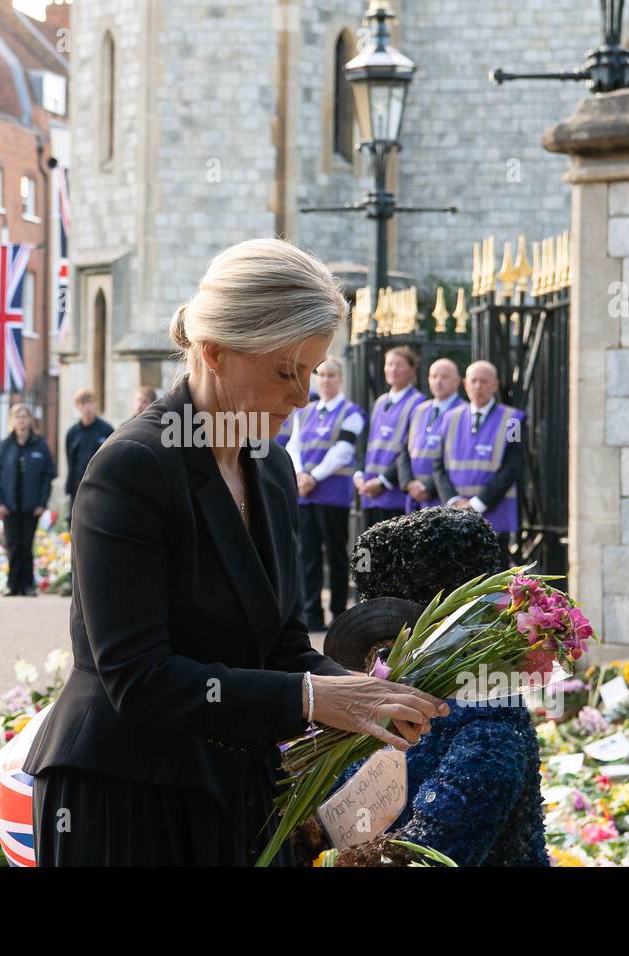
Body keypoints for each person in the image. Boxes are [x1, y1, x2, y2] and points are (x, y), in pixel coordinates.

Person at [23, 238, 446, 867]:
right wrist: (308, 699)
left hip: (236, 788)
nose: (303, 396)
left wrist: (370, 695)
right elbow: (137, 677)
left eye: (314, 370)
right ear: (213, 351)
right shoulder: (134, 465)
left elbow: (281, 647)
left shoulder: (271, 465)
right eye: (286, 371)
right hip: (127, 795)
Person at [318, 506, 548, 867]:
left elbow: (429, 853)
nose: (383, 662)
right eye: (381, 647)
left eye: (394, 643)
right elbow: (338, 805)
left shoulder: (490, 730)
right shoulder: (384, 708)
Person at [286, 355, 365, 632]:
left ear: (340, 379)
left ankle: (338, 612)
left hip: (332, 494)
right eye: (321, 375)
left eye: (331, 375)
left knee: (335, 553)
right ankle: (312, 614)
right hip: (305, 493)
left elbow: (342, 451)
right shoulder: (305, 411)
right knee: (307, 555)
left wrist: (312, 476)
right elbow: (294, 445)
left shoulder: (351, 412)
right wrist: (298, 475)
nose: (326, 380)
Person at [431, 360, 525, 568]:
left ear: (495, 384)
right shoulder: (448, 419)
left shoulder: (514, 421)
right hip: (454, 515)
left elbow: (512, 468)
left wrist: (476, 505)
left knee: (493, 583)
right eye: (473, 381)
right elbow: (438, 466)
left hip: (494, 515)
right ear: (465, 384)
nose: (478, 386)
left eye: (484, 381)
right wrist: (454, 501)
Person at [354, 346, 424, 530]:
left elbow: (410, 450)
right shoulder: (380, 402)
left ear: (412, 369)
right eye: (389, 364)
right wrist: (360, 475)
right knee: (370, 553)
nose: (393, 369)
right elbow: (367, 445)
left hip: (395, 495)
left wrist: (383, 481)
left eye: (399, 365)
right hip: (370, 493)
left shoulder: (419, 403)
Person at [0, 404, 55, 596]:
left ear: (30, 420)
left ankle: (28, 585)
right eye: (17, 417)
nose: (21, 420)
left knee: (27, 545)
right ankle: (13, 585)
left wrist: (42, 503)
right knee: (12, 545)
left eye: (24, 416)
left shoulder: (40, 445)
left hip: (31, 506)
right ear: (12, 420)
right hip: (9, 506)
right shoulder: (5, 446)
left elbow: (47, 475)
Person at [398, 358, 465, 512]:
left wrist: (428, 487)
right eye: (434, 376)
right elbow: (404, 450)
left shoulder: (463, 413)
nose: (438, 381)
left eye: (444, 377)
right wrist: (409, 483)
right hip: (415, 498)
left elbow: (457, 459)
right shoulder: (418, 410)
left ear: (457, 381)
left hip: (443, 497)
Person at [63, 388, 113, 522]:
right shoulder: (72, 433)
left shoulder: (106, 429)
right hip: (78, 485)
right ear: (78, 406)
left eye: (90, 403)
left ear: (95, 404)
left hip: (99, 485)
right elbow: (70, 460)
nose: (87, 407)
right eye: (83, 403)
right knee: (76, 522)